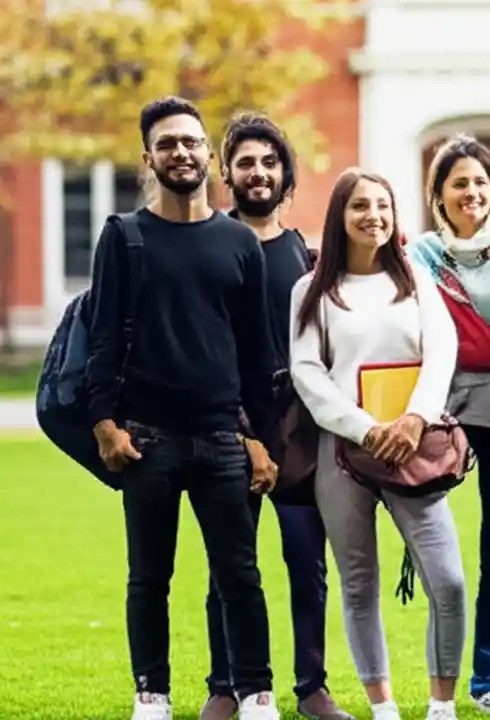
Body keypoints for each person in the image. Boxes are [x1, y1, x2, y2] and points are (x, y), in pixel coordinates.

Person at [85, 96, 281, 720]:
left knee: (240, 577)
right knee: (149, 578)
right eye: (167, 144)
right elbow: (102, 337)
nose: (181, 153)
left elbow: (257, 355)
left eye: (191, 142)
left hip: (223, 438)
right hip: (146, 439)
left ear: (208, 155)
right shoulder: (125, 237)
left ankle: (255, 693)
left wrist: (260, 439)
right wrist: (105, 425)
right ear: (149, 157)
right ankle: (153, 694)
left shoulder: (238, 243)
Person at [289, 170, 467, 720]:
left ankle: (441, 704)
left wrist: (414, 419)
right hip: (343, 455)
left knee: (450, 582)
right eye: (360, 205)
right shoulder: (313, 289)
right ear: (340, 216)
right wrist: (366, 428)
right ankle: (382, 704)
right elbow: (307, 371)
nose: (374, 215)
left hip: (414, 449)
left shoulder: (415, 280)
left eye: (383, 205)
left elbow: (443, 350)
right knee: (358, 580)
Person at [196, 112, 353, 720]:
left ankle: (312, 686)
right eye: (245, 162)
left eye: (268, 162)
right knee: (228, 565)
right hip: (224, 427)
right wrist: (238, 426)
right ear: (227, 173)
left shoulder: (306, 257)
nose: (257, 172)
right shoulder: (211, 250)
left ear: (285, 174)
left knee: (306, 559)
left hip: (297, 431)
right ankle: (224, 685)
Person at [405, 134, 490, 715]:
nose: (471, 192)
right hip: (437, 410)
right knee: (434, 552)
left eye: (480, 182)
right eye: (459, 183)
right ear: (439, 194)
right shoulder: (416, 256)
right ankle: (439, 678)